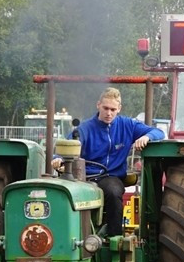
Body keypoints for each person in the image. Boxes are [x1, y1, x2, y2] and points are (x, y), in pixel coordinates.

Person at [51, 87, 164, 236]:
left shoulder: (127, 125)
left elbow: (158, 132)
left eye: (113, 109)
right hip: (85, 177)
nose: (109, 113)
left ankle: (114, 237)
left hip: (111, 176)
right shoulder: (85, 128)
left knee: (113, 191)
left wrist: (146, 137)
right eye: (105, 108)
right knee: (62, 193)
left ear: (119, 109)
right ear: (98, 105)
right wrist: (58, 159)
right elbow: (67, 147)